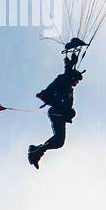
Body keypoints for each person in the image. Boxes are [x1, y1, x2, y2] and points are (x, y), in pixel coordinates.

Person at [27, 39, 86, 168]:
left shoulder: (67, 85)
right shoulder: (66, 81)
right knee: (59, 140)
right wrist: (70, 62)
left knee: (59, 141)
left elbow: (68, 72)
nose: (76, 83)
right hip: (57, 112)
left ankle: (36, 151)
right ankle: (37, 151)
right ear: (73, 78)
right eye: (76, 80)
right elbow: (67, 73)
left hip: (58, 113)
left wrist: (71, 61)